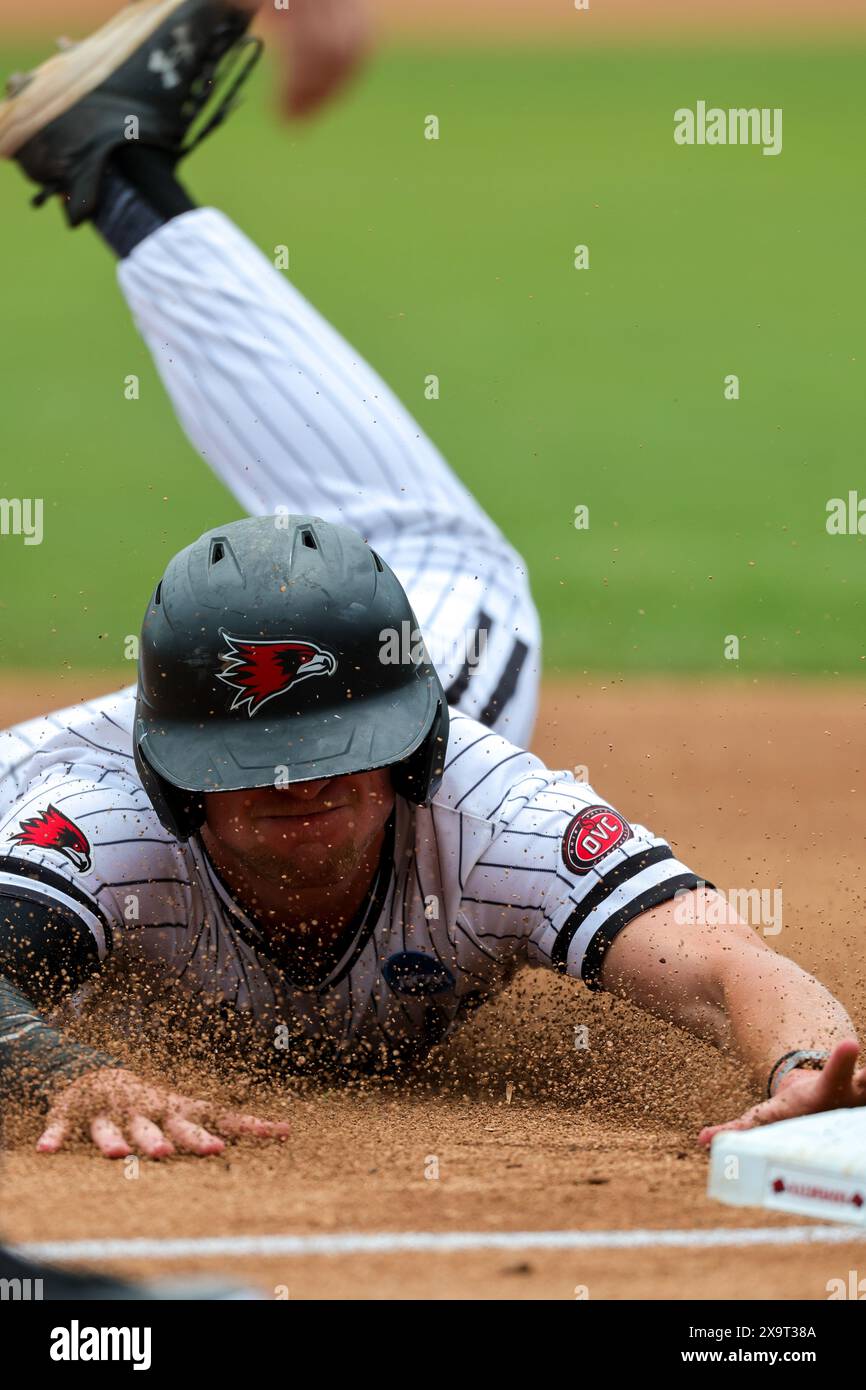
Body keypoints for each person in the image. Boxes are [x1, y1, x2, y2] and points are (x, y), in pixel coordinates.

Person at [0, 0, 862, 1164]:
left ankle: (116, 168)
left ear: (413, 753)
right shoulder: (96, 815)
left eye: (335, 760)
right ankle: (114, 165)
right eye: (251, 776)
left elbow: (719, 963)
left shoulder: (489, 811)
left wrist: (807, 1067)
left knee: (410, 542)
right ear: (176, 787)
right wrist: (67, 1066)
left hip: (425, 614)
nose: (297, 791)